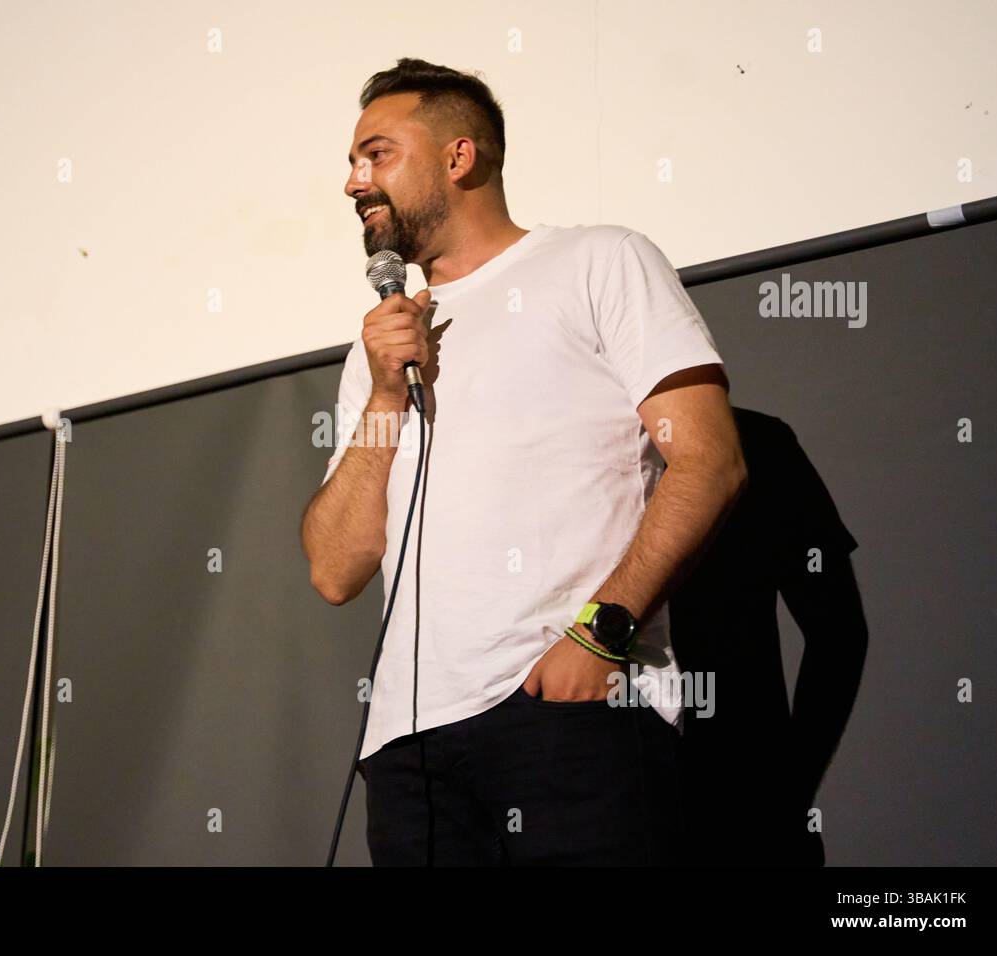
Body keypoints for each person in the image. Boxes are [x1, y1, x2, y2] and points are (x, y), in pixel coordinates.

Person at [300, 58, 747, 866]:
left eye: (376, 155)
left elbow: (710, 464)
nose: (353, 182)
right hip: (410, 750)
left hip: (566, 716)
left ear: (458, 156)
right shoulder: (379, 348)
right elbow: (336, 569)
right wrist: (382, 399)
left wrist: (601, 637)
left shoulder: (599, 261)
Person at [669, 407, 867, 867]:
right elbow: (839, 631)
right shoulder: (754, 439)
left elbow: (838, 632)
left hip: (742, 803)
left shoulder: (755, 442)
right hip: (739, 800)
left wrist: (788, 795)